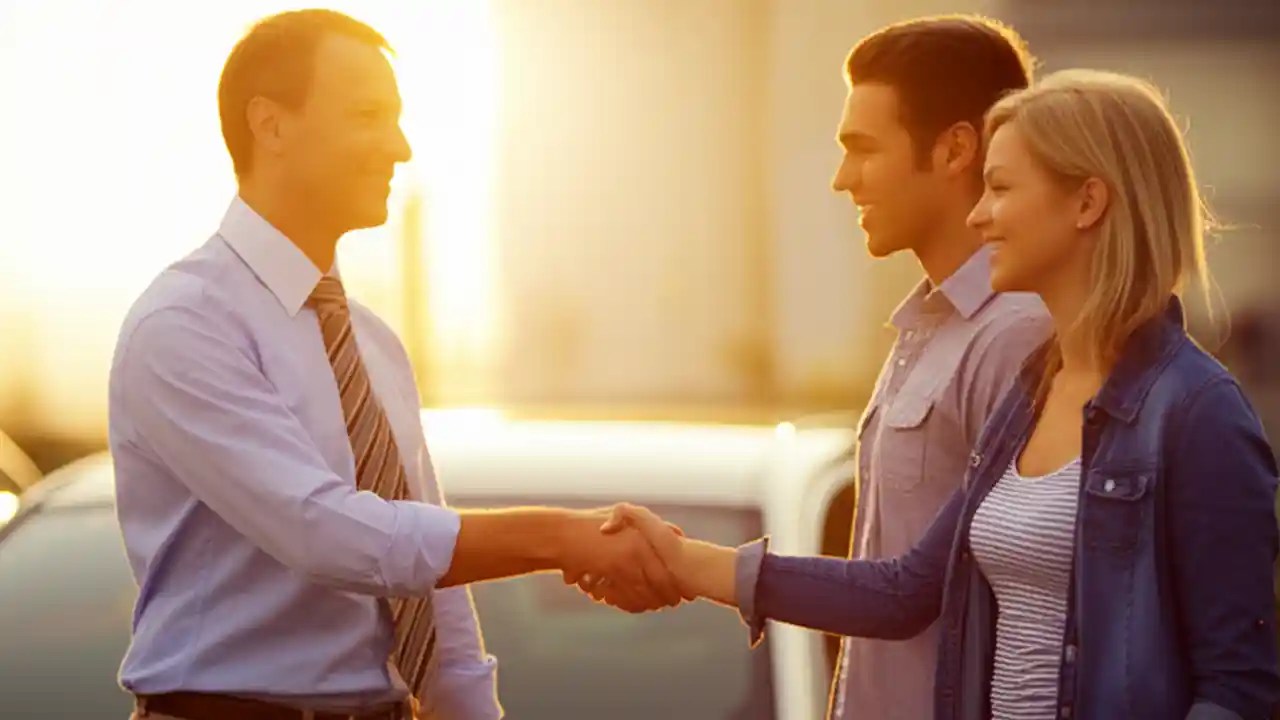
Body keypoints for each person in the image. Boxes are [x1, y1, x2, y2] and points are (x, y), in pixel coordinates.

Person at [606, 69, 1280, 719]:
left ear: (1087, 202)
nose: (979, 216)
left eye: (1001, 188)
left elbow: (1238, 687)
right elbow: (903, 591)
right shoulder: (1031, 391)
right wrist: (684, 561)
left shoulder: (1198, 412)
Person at [108, 10, 683, 720]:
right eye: (368, 116)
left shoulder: (372, 342)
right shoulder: (183, 325)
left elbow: (434, 597)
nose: (400, 147)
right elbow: (329, 535)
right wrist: (560, 537)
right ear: (271, 126)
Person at [581, 15, 1050, 720]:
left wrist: (687, 564)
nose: (842, 179)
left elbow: (910, 592)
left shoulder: (1017, 336)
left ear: (956, 149)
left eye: (863, 149)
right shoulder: (928, 329)